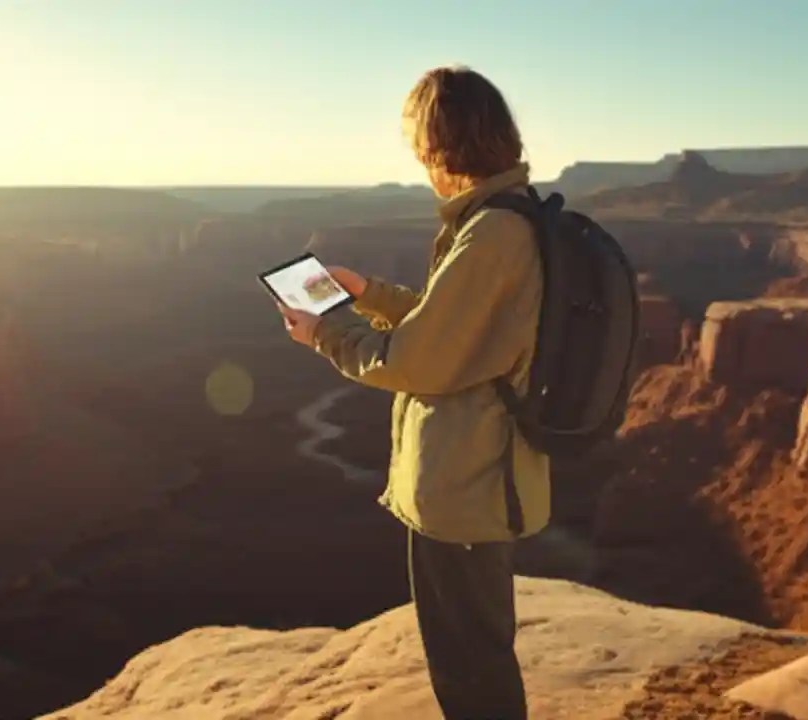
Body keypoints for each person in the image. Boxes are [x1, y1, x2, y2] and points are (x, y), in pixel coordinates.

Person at [277, 65, 548, 720]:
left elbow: (415, 362)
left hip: (466, 483)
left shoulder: (491, 235)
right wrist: (369, 294)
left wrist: (327, 330)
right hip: (480, 473)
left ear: (437, 145)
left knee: (470, 666)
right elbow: (455, 326)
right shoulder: (511, 219)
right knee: (473, 653)